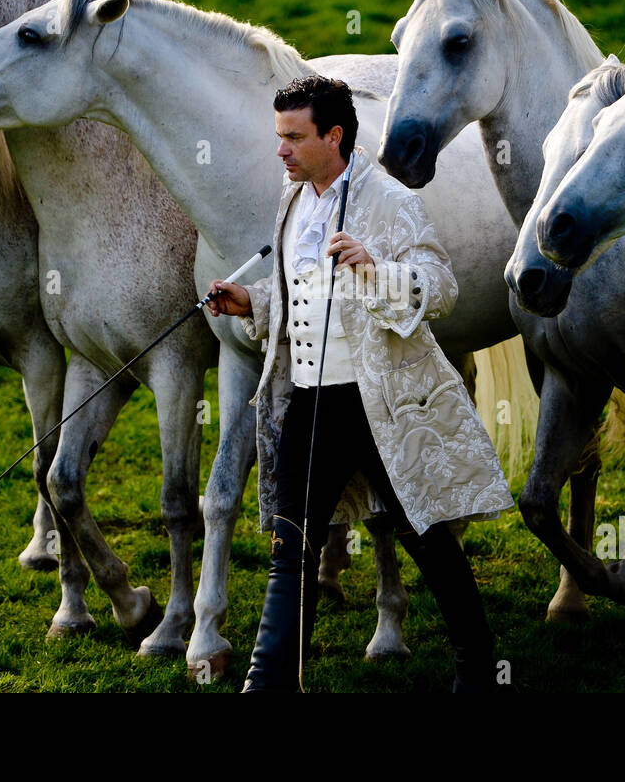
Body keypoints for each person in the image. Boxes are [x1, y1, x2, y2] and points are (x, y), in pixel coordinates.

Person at [207, 75, 513, 692]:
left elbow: (441, 288)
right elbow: (306, 296)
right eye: (279, 136)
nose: (281, 151)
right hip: (308, 399)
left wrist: (378, 270)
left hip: (383, 404)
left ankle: (477, 670)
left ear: (334, 136)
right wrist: (253, 303)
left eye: (294, 137)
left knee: (426, 535)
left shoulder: (391, 202)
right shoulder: (293, 202)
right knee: (291, 542)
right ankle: (270, 682)